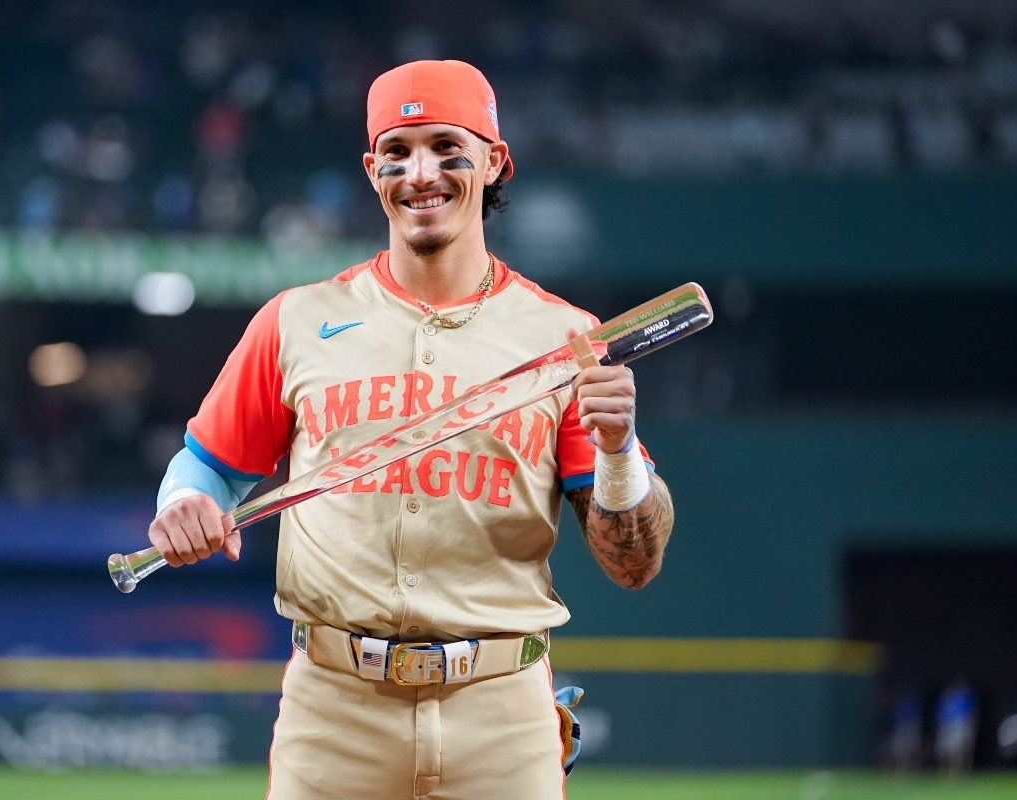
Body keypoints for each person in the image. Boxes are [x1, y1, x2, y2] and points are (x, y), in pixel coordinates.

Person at [146, 59, 674, 799]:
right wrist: (182, 502)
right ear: (372, 171)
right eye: (397, 151)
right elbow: (205, 467)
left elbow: (633, 563)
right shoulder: (296, 322)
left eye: (444, 146)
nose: (420, 171)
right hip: (333, 706)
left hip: (500, 711)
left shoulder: (566, 338)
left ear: (494, 162)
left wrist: (618, 452)